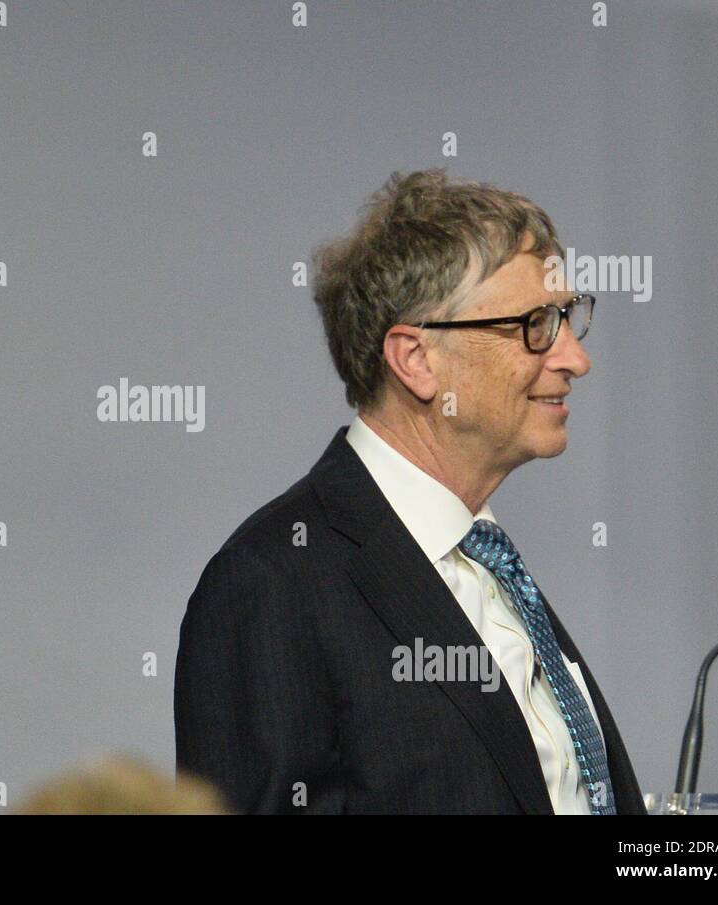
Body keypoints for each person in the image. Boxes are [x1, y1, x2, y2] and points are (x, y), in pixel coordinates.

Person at [175, 170, 646, 814]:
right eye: (536, 324)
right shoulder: (274, 583)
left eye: (567, 319)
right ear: (416, 360)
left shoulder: (489, 563)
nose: (573, 357)